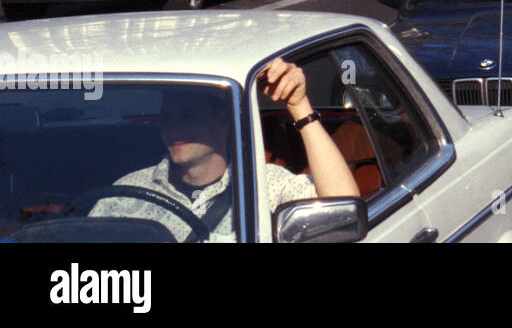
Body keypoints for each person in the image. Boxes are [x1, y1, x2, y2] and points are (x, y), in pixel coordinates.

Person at [89, 58, 361, 243]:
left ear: (225, 119)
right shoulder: (127, 192)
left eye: (187, 115)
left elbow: (343, 208)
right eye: (167, 115)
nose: (173, 127)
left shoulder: (265, 183)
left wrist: (299, 106)